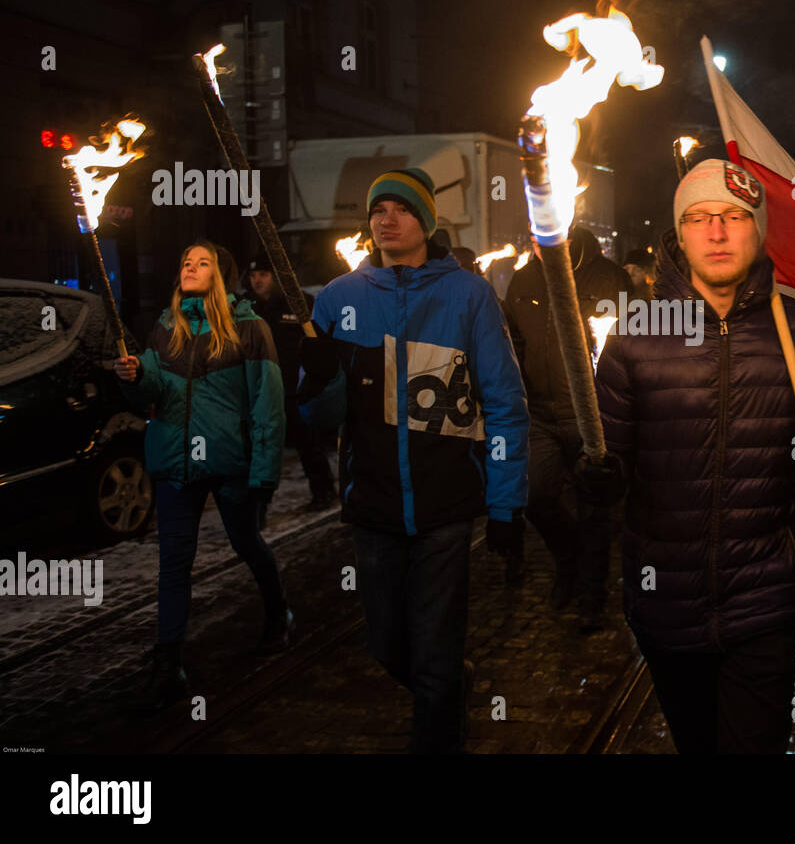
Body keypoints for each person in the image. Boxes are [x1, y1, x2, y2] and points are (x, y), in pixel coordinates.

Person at [587, 159, 795, 753]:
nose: (716, 232)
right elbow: (608, 475)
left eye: (734, 216)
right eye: (699, 218)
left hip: (765, 598)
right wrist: (591, 477)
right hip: (664, 597)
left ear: (758, 229)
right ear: (679, 233)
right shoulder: (634, 337)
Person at [297, 168, 528, 753]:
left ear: (425, 220)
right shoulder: (338, 298)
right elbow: (317, 419)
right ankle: (447, 688)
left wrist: (505, 502)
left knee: (436, 646)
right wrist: (316, 375)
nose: (386, 218)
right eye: (379, 209)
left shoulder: (468, 294)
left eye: (401, 208)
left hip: (444, 502)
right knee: (387, 644)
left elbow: (502, 401)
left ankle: (439, 721)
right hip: (372, 503)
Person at [114, 241, 291, 714]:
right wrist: (134, 376)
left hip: (229, 460)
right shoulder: (165, 326)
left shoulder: (250, 328)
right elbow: (150, 393)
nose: (190, 268)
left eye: (202, 263)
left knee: (246, 542)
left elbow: (267, 404)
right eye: (185, 262)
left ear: (220, 276)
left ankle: (278, 614)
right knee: (174, 564)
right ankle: (168, 664)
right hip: (175, 462)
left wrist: (264, 472)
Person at [504, 224, 632, 631]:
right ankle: (568, 559)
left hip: (593, 414)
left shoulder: (608, 277)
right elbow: (515, 345)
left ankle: (590, 594)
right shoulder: (523, 279)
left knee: (595, 507)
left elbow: (632, 341)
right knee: (536, 497)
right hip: (540, 414)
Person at [243, 250, 337, 514]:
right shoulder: (246, 307)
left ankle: (323, 491)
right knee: (262, 449)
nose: (257, 281)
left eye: (263, 275)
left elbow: (318, 338)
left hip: (294, 388)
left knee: (307, 444)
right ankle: (259, 506)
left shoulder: (297, 303)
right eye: (253, 276)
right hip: (263, 390)